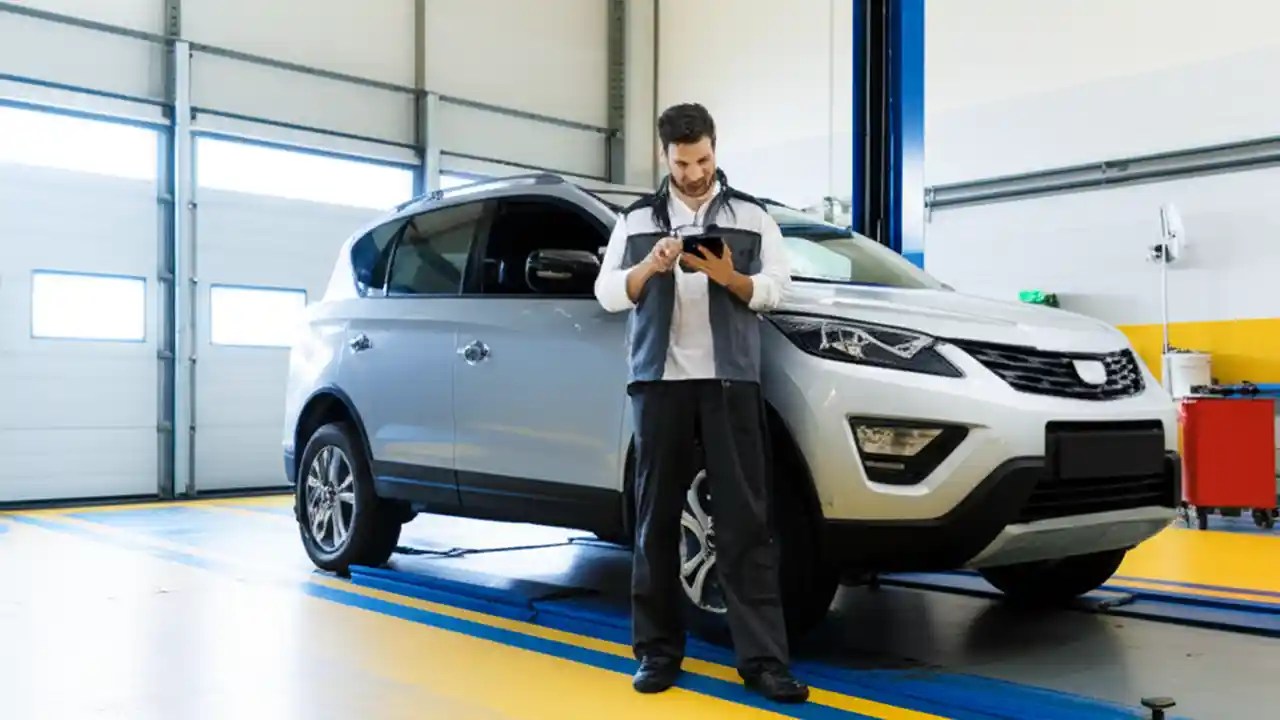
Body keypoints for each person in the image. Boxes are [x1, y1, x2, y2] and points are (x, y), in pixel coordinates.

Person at [593, 102, 808, 704]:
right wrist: (649, 265)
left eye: (704, 159)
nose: (694, 173)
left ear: (716, 149)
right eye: (683, 162)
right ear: (666, 156)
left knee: (746, 523)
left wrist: (731, 278)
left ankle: (764, 661)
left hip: (730, 382)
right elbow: (610, 293)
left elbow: (778, 289)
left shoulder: (752, 216)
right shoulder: (635, 220)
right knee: (654, 521)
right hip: (659, 384)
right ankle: (657, 652)